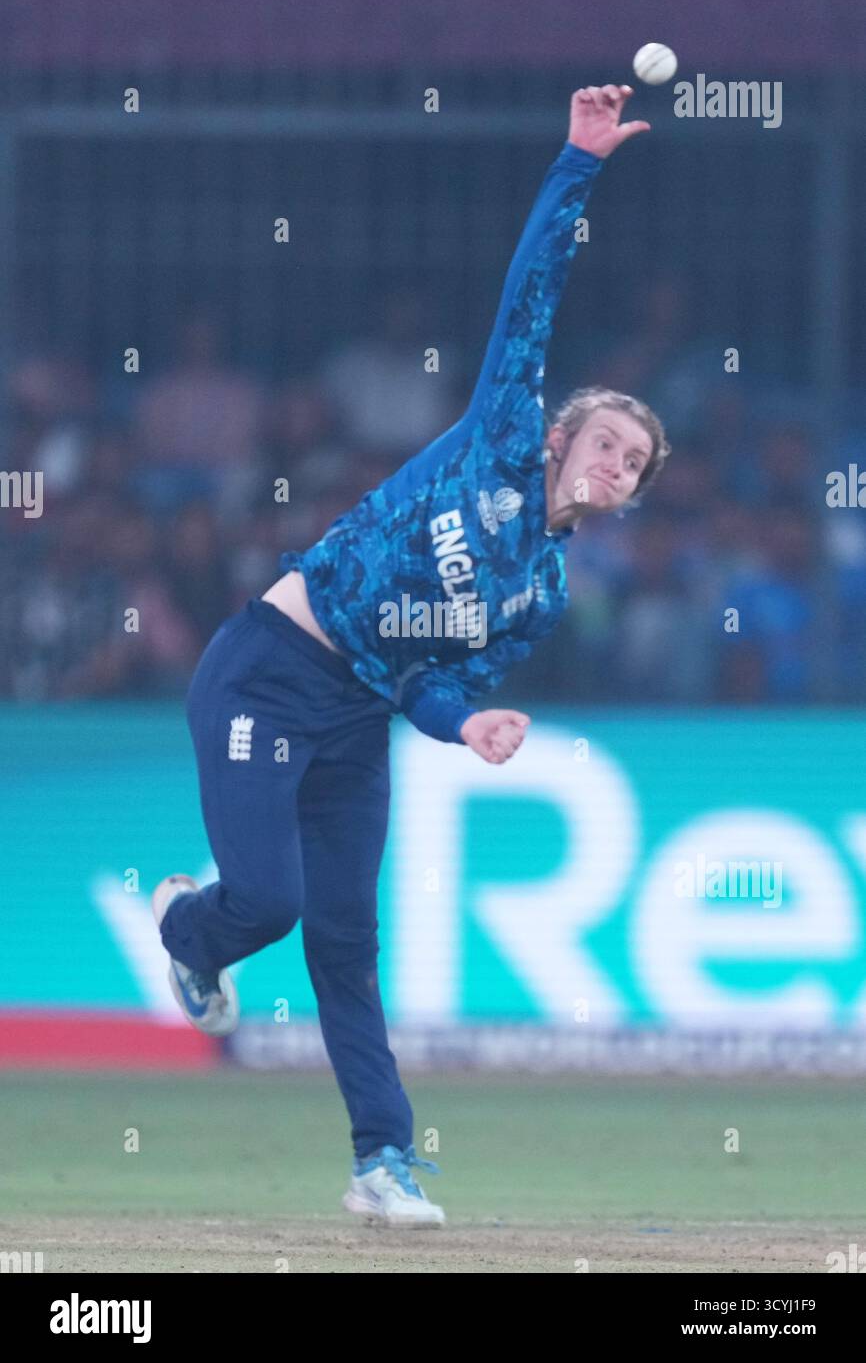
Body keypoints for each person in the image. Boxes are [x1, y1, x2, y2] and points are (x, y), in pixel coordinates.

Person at [152, 85, 670, 1227]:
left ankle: (380, 1160)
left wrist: (463, 722)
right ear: (557, 438)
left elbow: (430, 680)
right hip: (267, 663)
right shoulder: (494, 437)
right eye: (605, 440)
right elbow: (529, 292)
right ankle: (189, 930)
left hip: (355, 716)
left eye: (634, 462)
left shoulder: (541, 593)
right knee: (271, 899)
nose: (616, 463)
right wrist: (575, 164)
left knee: (346, 934)